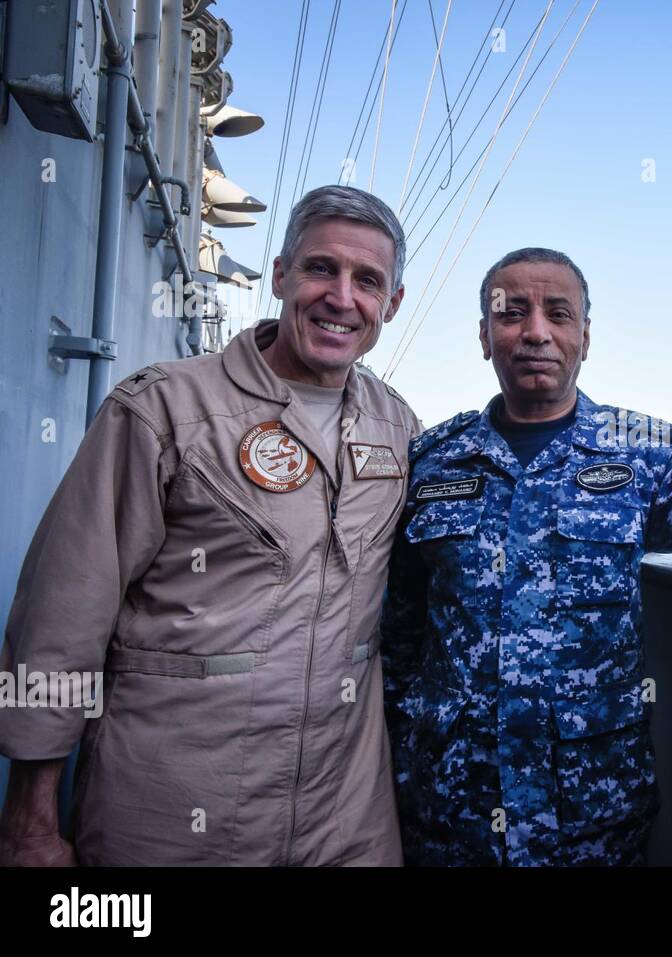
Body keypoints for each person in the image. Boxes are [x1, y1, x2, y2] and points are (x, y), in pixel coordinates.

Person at [0, 185, 420, 865]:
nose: (342, 297)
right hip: (171, 814)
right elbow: (62, 610)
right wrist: (29, 816)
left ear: (390, 305)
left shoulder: (399, 430)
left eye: (367, 280)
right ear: (280, 275)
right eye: (320, 268)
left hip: (344, 822)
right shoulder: (165, 409)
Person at [382, 247, 672, 866]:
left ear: (584, 338)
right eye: (511, 314)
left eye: (558, 314)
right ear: (485, 337)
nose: (535, 331)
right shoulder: (434, 459)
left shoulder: (644, 452)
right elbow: (399, 631)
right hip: (449, 811)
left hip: (590, 818)